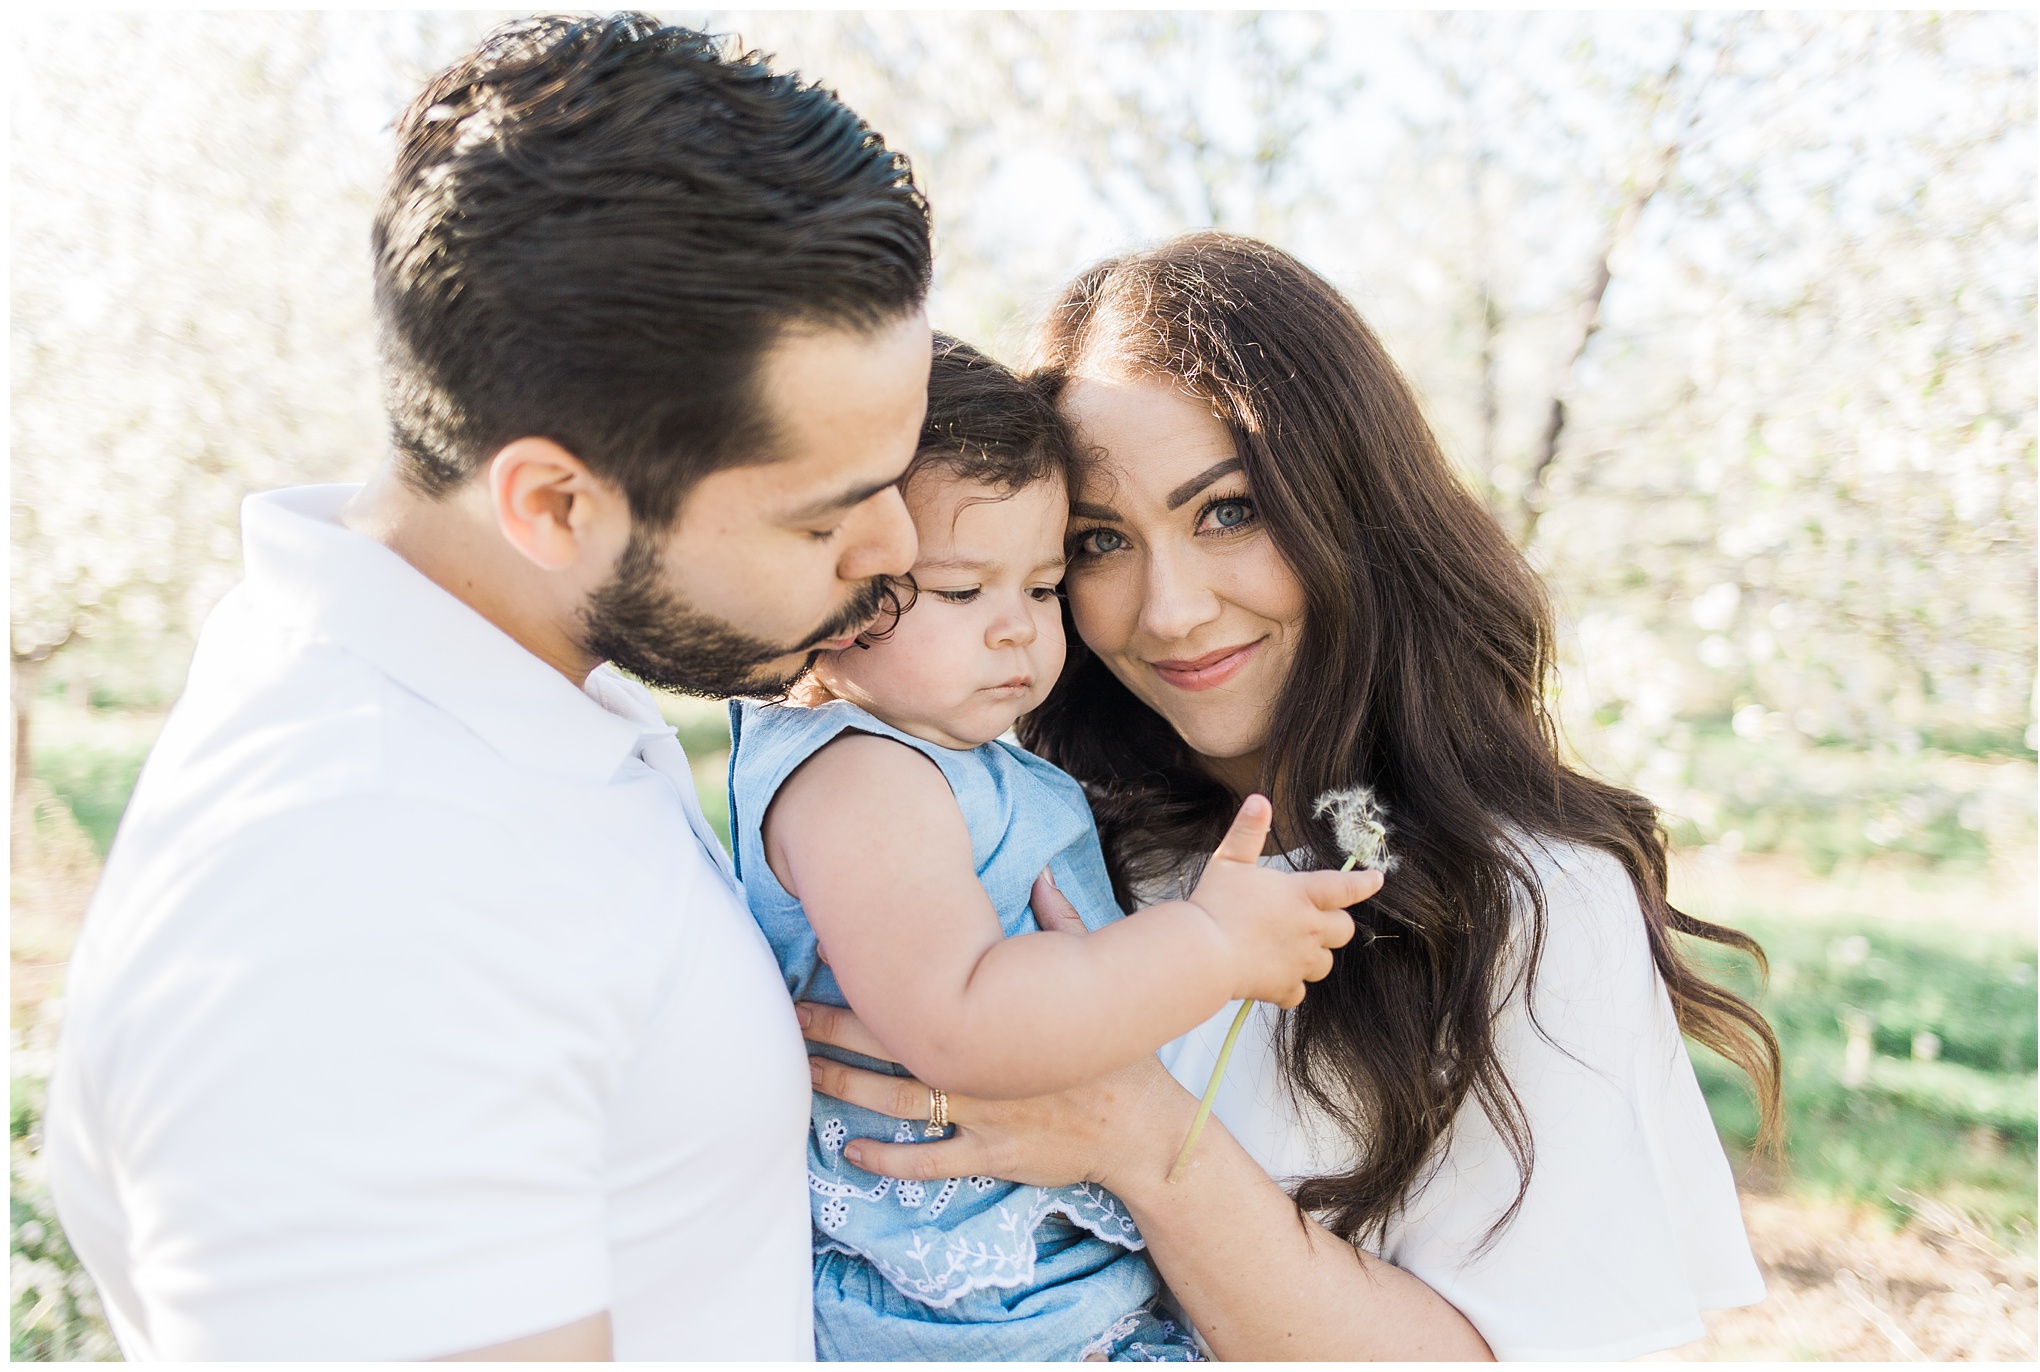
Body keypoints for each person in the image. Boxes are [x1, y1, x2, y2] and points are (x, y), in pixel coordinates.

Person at [46, 15, 935, 1360]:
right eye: (825, 521)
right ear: (552, 503)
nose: (900, 555)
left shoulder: (494, 696)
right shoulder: (357, 895)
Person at [804, 233, 1783, 1361]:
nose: (1168, 610)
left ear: (1351, 507)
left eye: (1225, 512)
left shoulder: (1535, 901)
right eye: (1100, 541)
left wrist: (1133, 1130)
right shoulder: (1014, 828)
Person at [727, 337, 1376, 1360]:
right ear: (837, 577)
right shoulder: (860, 778)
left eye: (1038, 588)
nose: (1015, 632)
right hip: (965, 1311)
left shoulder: (948, 757)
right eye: (957, 591)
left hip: (1035, 1286)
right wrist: (1206, 945)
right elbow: (958, 1019)